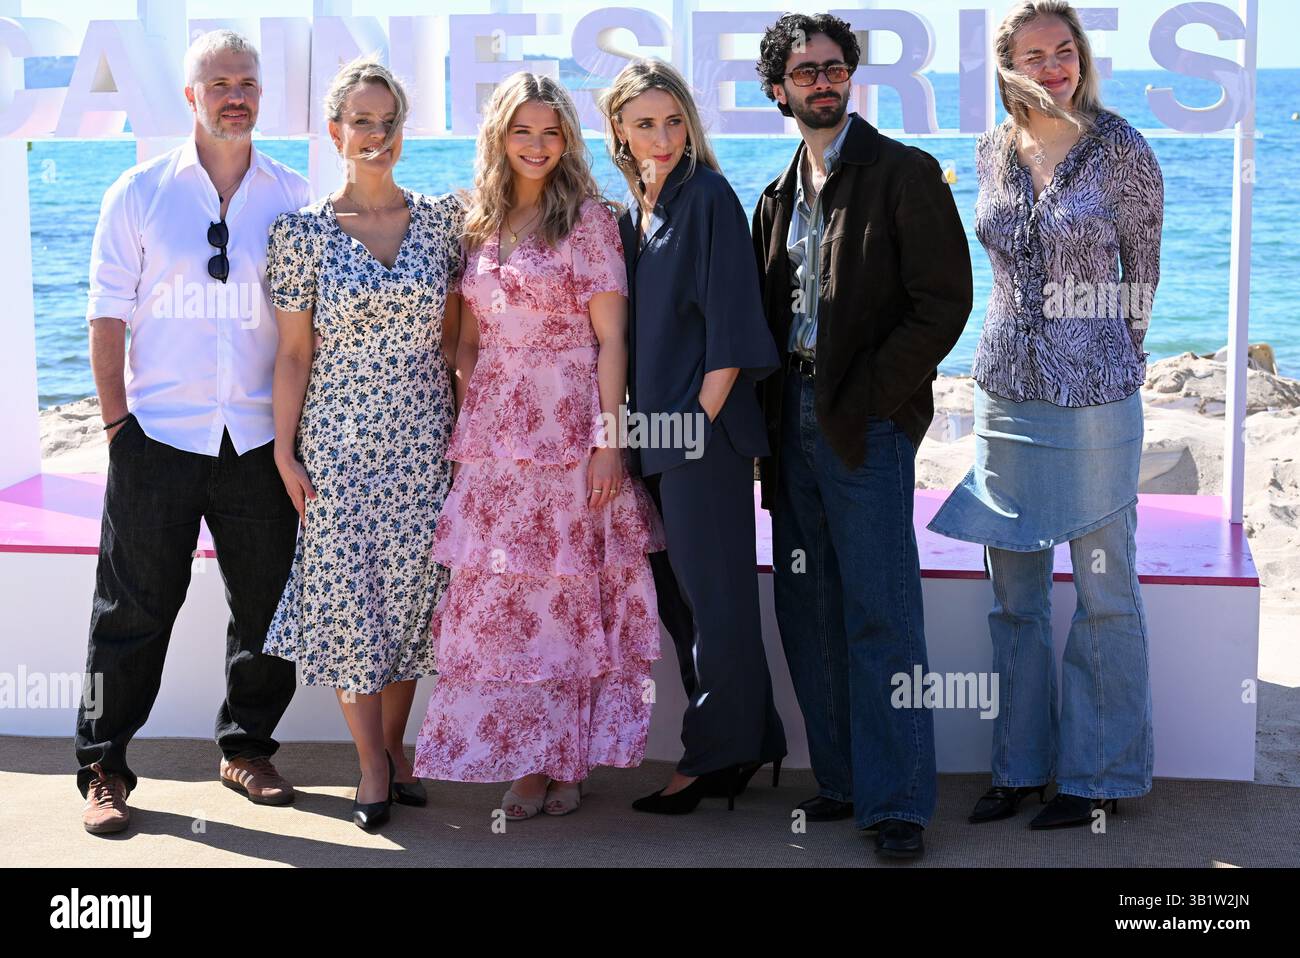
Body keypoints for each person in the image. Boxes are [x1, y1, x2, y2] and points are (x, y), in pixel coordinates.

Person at [927, 0, 1164, 830]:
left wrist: (1111, 355)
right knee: (1013, 594)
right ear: (1007, 67)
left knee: (1105, 591)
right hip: (1001, 387)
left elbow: (1144, 273)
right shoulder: (991, 151)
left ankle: (1097, 776)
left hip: (1096, 396)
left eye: (1065, 50)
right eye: (1036, 54)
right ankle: (1019, 767)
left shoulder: (1121, 146)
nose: (1055, 66)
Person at [75, 30, 310, 835]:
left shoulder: (294, 194)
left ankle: (246, 747)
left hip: (258, 440)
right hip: (158, 439)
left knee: (269, 604)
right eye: (218, 82)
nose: (234, 93)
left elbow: (309, 328)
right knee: (129, 609)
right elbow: (106, 318)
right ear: (190, 96)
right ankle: (103, 766)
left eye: (246, 80)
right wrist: (117, 427)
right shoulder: (137, 192)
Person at [412, 72, 664, 820]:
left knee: (572, 598)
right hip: (494, 438)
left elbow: (613, 337)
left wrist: (609, 438)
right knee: (509, 603)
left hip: (570, 426)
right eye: (523, 131)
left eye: (551, 132)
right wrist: (470, 409)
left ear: (568, 140)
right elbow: (463, 337)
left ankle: (563, 760)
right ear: (498, 135)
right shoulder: (476, 222)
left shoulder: (588, 220)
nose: (537, 145)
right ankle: (536, 757)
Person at [752, 13, 974, 858]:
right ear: (780, 88)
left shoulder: (904, 174)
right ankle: (843, 781)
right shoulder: (774, 197)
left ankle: (899, 805)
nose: (823, 80)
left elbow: (943, 302)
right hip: (791, 427)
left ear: (851, 76)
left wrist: (875, 398)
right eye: (805, 70)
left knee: (882, 614)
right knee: (808, 607)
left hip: (866, 426)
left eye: (834, 66)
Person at [261, 58, 464, 831]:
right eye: (361, 122)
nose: (375, 136)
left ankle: (395, 744)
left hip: (422, 443)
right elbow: (292, 354)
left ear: (401, 131)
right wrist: (285, 451)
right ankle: (371, 763)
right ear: (334, 131)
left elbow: (456, 341)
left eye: (388, 122)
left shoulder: (441, 223)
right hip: (337, 447)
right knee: (352, 603)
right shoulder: (301, 234)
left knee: (411, 603)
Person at [600, 58, 788, 816]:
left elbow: (735, 337)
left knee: (715, 602)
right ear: (617, 127)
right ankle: (745, 740)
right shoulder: (630, 212)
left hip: (699, 440)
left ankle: (717, 754)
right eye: (645, 123)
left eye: (674, 121)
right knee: (686, 604)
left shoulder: (706, 196)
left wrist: (686, 434)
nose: (663, 136)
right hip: (654, 437)